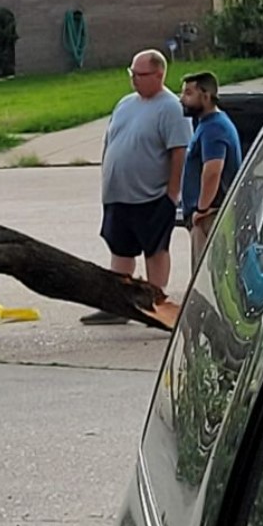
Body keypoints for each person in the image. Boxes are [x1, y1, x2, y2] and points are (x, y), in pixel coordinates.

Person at [83, 50, 191, 324]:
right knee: (120, 249)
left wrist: (172, 193)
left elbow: (179, 151)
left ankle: (154, 304)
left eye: (140, 75)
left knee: (155, 250)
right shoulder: (125, 104)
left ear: (159, 74)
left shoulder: (171, 108)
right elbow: (111, 142)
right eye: (132, 74)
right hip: (119, 195)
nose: (134, 80)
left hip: (152, 195)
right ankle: (119, 305)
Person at [178, 71, 242, 269]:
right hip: (207, 214)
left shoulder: (214, 128)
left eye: (188, 93)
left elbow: (213, 171)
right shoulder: (206, 124)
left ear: (205, 96)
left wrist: (201, 209)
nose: (182, 99)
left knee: (207, 275)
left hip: (209, 217)